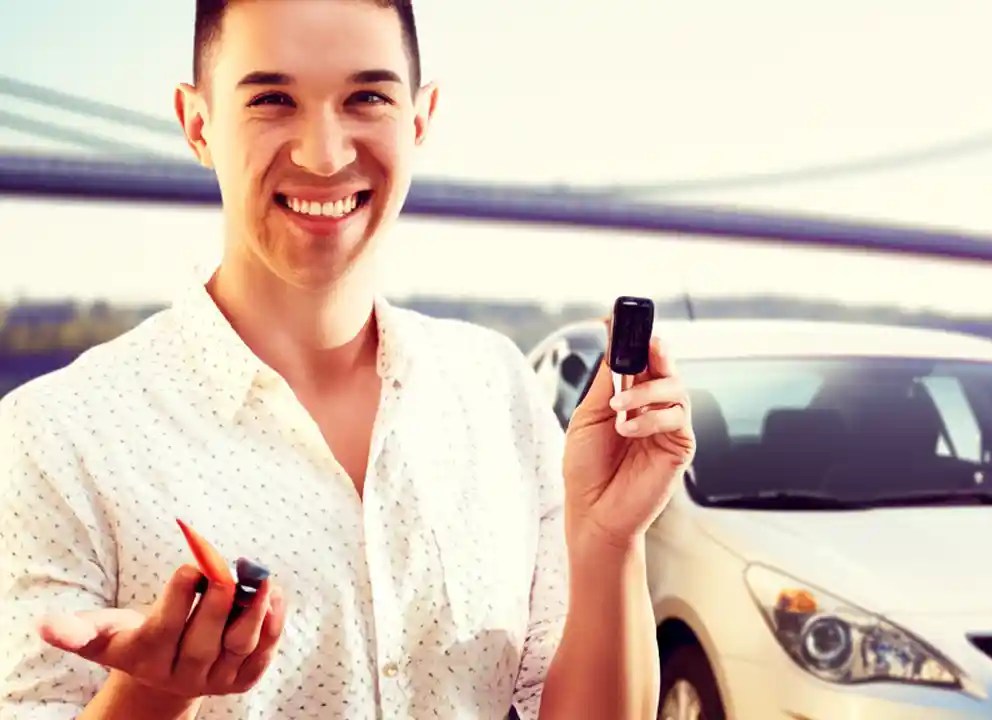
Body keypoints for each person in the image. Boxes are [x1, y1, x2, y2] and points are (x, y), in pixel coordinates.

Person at [0, 1, 694, 718]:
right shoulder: (54, 436)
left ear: (419, 120)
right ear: (197, 123)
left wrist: (608, 541)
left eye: (366, 98)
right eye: (272, 99)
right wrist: (150, 695)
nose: (324, 154)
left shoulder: (498, 391)